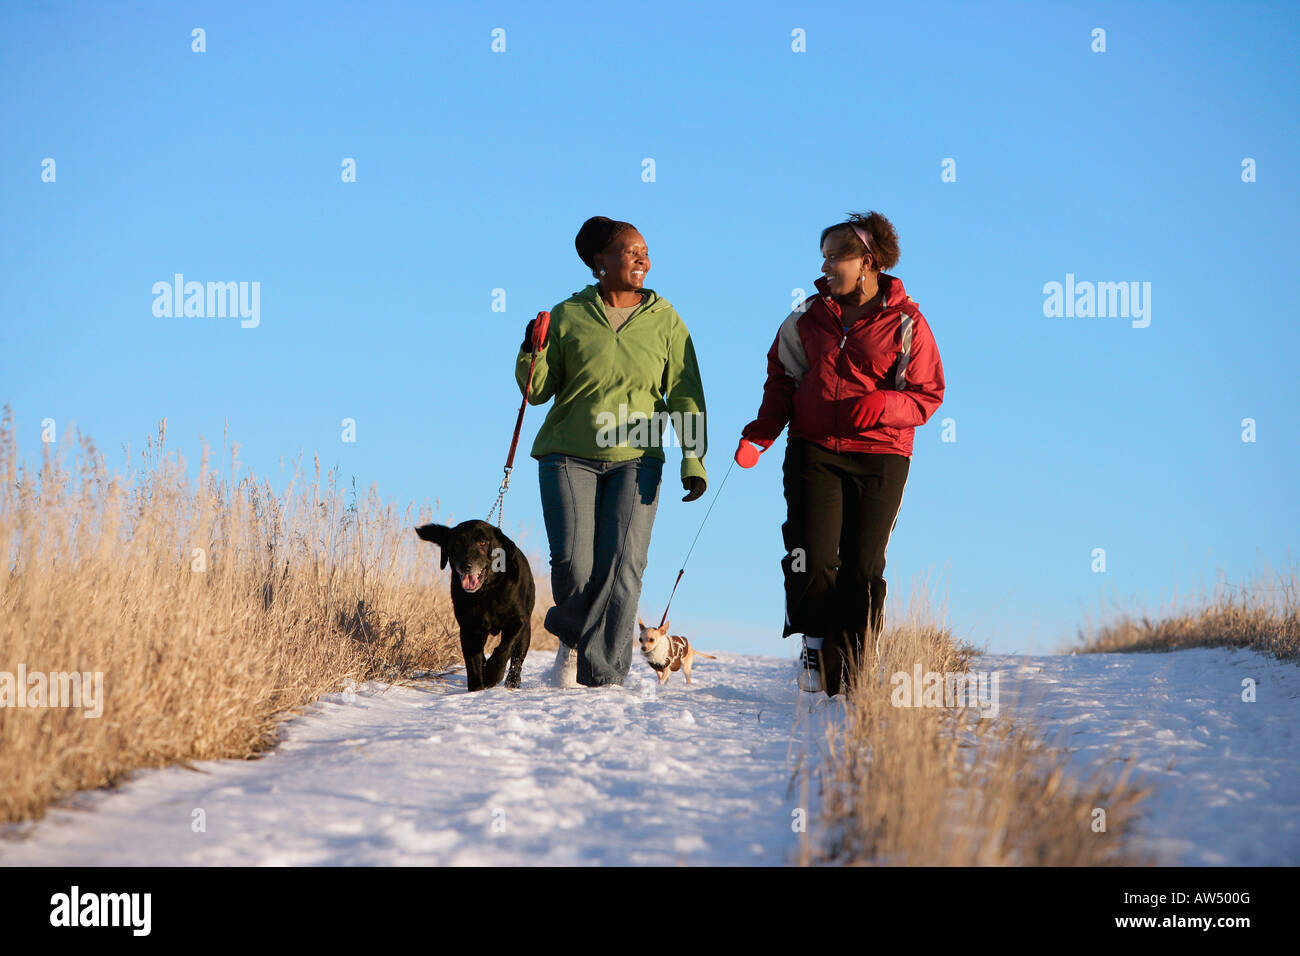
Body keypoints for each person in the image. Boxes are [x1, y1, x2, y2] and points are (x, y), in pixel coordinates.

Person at [734, 211, 945, 696]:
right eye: (824, 256)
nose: (826, 265)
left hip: (881, 455)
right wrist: (760, 435)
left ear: (867, 261)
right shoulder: (808, 316)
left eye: (836, 256)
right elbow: (783, 380)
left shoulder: (906, 321)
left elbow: (928, 393)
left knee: (863, 566)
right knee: (811, 552)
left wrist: (884, 404)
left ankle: (853, 667)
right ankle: (813, 641)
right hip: (813, 450)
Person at [516, 216, 708, 688]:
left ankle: (603, 680)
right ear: (600, 262)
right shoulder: (567, 314)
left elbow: (686, 393)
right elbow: (536, 390)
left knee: (624, 569)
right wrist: (530, 348)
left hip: (638, 458)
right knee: (575, 566)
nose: (643, 257)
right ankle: (575, 641)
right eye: (630, 249)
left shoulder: (666, 320)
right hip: (568, 452)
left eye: (645, 250)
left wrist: (693, 457)